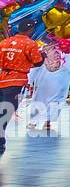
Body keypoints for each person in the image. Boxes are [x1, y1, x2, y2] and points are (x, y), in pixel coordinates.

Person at [0, 24, 45, 156]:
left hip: (2, 77)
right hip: (16, 81)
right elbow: (37, 62)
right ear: (30, 30)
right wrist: (42, 56)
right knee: (6, 111)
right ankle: (0, 141)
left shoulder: (4, 42)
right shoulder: (30, 44)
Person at [27, 44, 70, 131]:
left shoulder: (67, 50)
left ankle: (43, 121)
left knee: (53, 100)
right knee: (44, 99)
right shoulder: (45, 49)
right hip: (50, 79)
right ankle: (37, 121)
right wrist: (29, 80)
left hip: (58, 79)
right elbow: (35, 66)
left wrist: (30, 80)